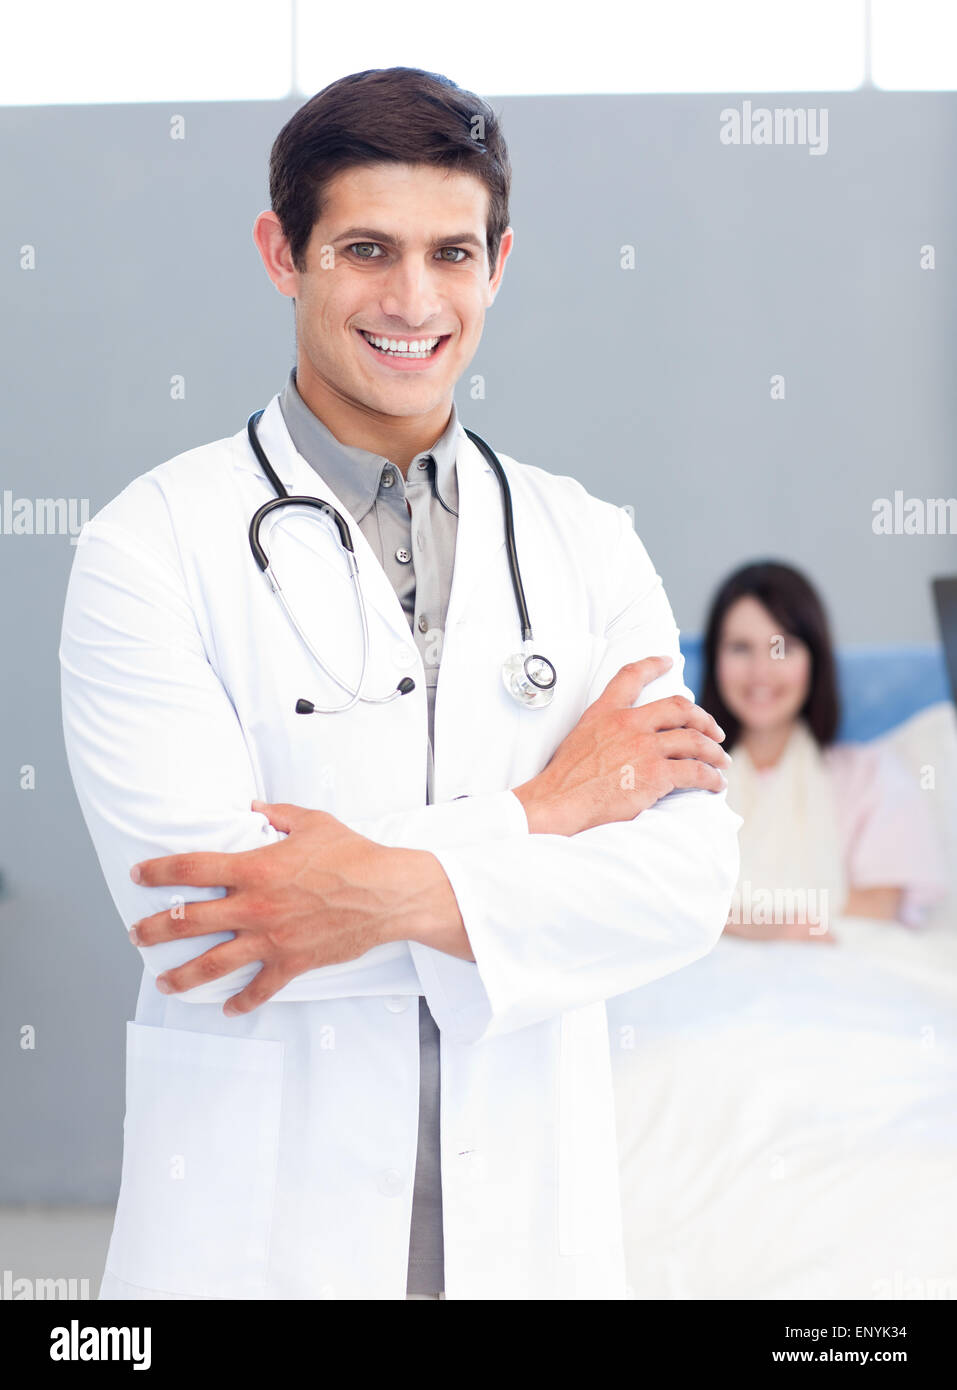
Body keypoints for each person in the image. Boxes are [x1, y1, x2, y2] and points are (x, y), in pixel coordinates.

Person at [58, 67, 740, 1301]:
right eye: (367, 249)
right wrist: (543, 816)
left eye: (452, 253)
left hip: (528, 1219)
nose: (414, 300)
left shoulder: (587, 541)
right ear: (284, 253)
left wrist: (357, 894)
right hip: (260, 1229)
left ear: (500, 262)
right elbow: (220, 921)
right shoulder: (147, 546)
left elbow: (682, 886)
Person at [697, 560, 946, 944]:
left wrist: (770, 927)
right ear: (714, 660)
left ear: (815, 660)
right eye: (740, 647)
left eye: (784, 647)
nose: (761, 671)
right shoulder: (686, 780)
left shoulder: (871, 775)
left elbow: (880, 906)